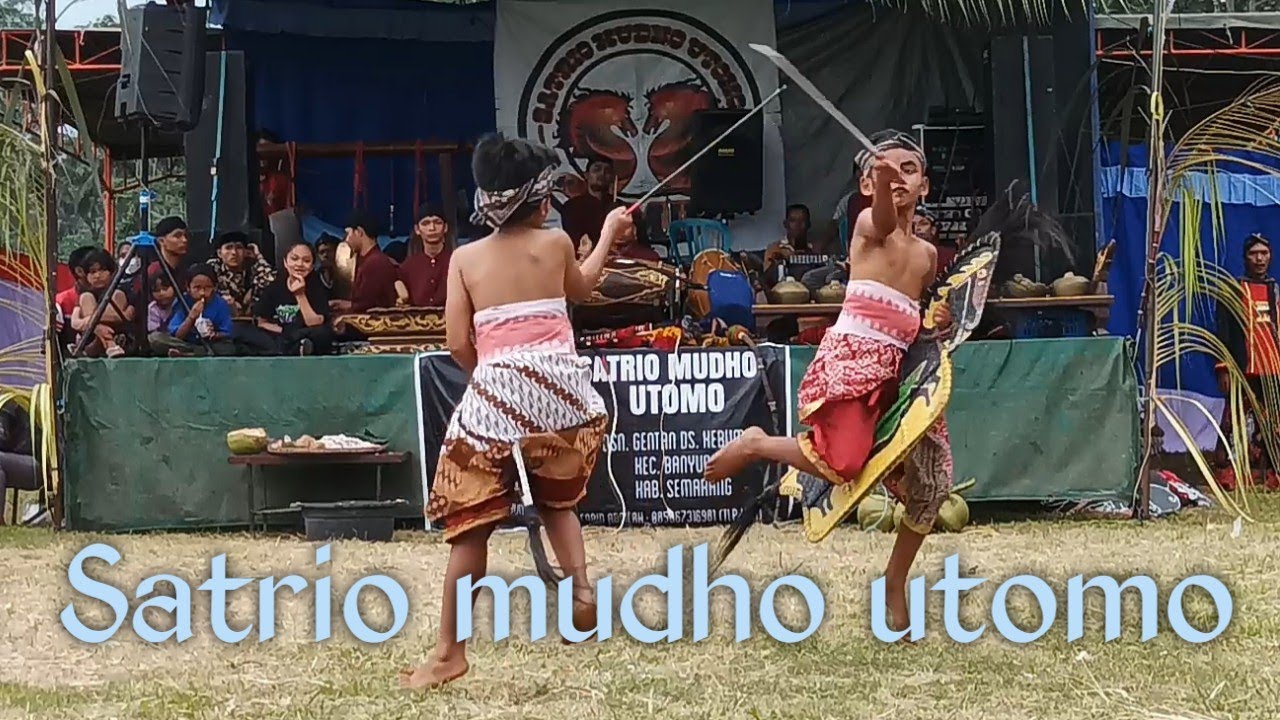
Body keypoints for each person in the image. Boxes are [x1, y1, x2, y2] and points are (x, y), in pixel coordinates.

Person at [399, 133, 629, 692]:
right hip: (564, 393)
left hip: (498, 391)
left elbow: (456, 342)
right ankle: (580, 589)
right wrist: (607, 236)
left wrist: (494, 379)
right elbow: (586, 285)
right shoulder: (554, 246)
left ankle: (450, 652)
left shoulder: (465, 258)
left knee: (470, 526)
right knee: (558, 501)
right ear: (543, 201)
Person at [703, 130, 954, 634]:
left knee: (932, 485)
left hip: (901, 372)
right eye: (886, 172)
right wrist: (883, 192)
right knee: (843, 464)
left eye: (909, 170)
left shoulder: (926, 256)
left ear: (925, 186)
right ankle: (758, 444)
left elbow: (912, 314)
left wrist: (936, 323)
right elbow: (881, 216)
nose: (898, 178)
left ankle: (894, 581)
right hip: (855, 361)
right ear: (866, 183)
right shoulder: (867, 224)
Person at [1214, 233, 1280, 489]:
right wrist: (1223, 368)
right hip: (1243, 369)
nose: (1260, 258)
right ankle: (1227, 473)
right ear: (1245, 257)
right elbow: (1223, 332)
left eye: (1264, 253)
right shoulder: (1232, 289)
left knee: (1273, 425)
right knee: (1233, 423)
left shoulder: (1275, 290)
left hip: (1273, 370)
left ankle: (1272, 474)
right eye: (1254, 253)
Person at [238, 240, 334, 356]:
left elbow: (314, 322)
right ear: (285, 262)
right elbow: (261, 322)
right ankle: (292, 349)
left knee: (322, 334)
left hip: (307, 333)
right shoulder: (275, 286)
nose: (299, 264)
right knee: (241, 331)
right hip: (281, 335)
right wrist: (285, 332)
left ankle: (297, 348)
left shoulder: (317, 286)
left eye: (306, 261)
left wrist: (300, 294)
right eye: (294, 259)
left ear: (312, 266)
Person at [150, 264, 236, 357]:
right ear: (188, 287)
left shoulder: (220, 304)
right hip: (186, 343)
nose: (202, 293)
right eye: (197, 288)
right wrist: (191, 318)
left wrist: (214, 334)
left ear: (214, 288)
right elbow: (177, 335)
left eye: (207, 288)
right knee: (155, 338)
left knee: (228, 348)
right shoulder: (183, 302)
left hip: (210, 344)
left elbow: (227, 332)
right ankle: (193, 352)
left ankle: (191, 354)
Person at [329, 210, 398, 313]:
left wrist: (348, 306)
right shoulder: (367, 260)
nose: (347, 239)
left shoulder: (375, 263)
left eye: (348, 233)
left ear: (359, 232)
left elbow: (367, 306)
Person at [77, 250, 135, 358]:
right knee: (86, 297)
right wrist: (97, 327)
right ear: (86, 276)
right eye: (93, 272)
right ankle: (108, 343)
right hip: (91, 339)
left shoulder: (124, 290)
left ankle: (109, 343)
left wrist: (91, 320)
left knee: (117, 294)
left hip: (119, 336)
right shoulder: (85, 294)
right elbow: (74, 322)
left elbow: (126, 316)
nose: (98, 275)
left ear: (112, 272)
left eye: (103, 270)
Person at [210, 230, 277, 316]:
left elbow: (271, 280)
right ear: (219, 253)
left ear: (246, 252)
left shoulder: (253, 268)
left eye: (239, 247)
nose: (234, 253)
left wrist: (258, 256)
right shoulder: (213, 268)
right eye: (228, 248)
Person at [397, 204, 452, 306]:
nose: (432, 228)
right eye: (425, 223)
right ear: (417, 229)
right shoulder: (408, 267)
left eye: (437, 222)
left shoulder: (457, 263)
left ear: (445, 228)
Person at [559, 156, 614, 247]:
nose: (602, 173)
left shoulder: (619, 206)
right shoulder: (572, 207)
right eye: (597, 169)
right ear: (587, 175)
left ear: (612, 178)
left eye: (607, 171)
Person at [914, 205, 956, 282]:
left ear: (933, 230)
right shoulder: (899, 256)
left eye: (923, 224)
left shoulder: (949, 256)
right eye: (912, 225)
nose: (917, 228)